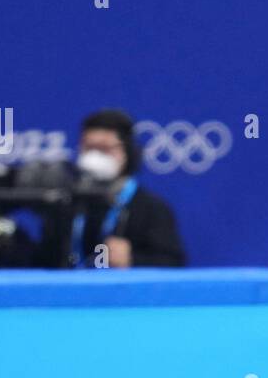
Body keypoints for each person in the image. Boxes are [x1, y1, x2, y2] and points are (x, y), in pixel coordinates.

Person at [59, 109, 187, 268]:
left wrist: (133, 260)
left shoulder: (151, 208)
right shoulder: (66, 205)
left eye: (105, 149)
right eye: (89, 148)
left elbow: (173, 263)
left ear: (128, 152)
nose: (95, 156)